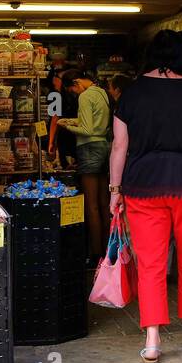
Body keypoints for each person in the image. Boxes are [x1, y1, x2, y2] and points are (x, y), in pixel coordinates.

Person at [110, 30, 182, 363]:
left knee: (151, 263)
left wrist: (114, 190)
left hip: (143, 188)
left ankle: (152, 339)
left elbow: (120, 146)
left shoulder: (132, 93)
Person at [57, 69, 111, 261]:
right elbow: (94, 123)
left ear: (77, 82)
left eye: (72, 88)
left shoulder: (85, 96)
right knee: (104, 204)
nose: (74, 92)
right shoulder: (101, 92)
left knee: (91, 205)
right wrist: (72, 120)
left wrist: (66, 126)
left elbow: (87, 129)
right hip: (104, 146)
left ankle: (95, 254)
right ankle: (108, 251)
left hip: (89, 148)